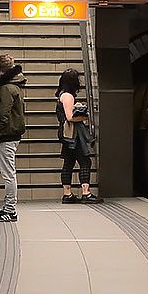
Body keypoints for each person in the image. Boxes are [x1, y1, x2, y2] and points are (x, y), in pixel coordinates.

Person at [0, 53, 26, 222]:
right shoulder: (14, 87)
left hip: (6, 136)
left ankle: (10, 210)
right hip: (10, 135)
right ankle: (9, 209)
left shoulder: (5, 89)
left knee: (8, 174)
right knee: (9, 173)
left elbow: (2, 115)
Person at [56, 68, 97, 204]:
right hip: (73, 134)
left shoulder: (62, 95)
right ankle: (86, 192)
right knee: (85, 161)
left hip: (66, 134)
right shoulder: (68, 96)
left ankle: (67, 194)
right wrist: (84, 117)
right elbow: (70, 117)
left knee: (68, 162)